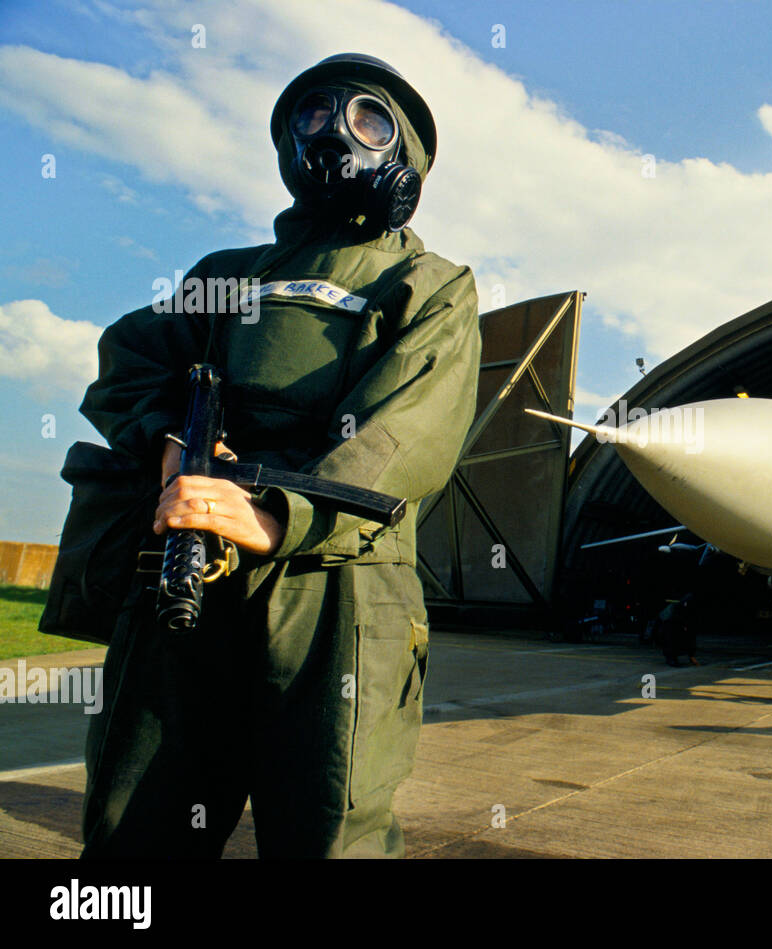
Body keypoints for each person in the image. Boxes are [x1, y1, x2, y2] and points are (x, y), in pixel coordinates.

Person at [78, 53, 482, 856]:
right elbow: (130, 359)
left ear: (406, 152)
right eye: (310, 115)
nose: (334, 133)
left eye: (367, 118)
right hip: (185, 561)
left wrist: (276, 511)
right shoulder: (227, 276)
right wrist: (168, 443)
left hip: (339, 587)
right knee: (136, 826)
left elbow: (405, 432)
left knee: (329, 829)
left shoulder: (428, 284)